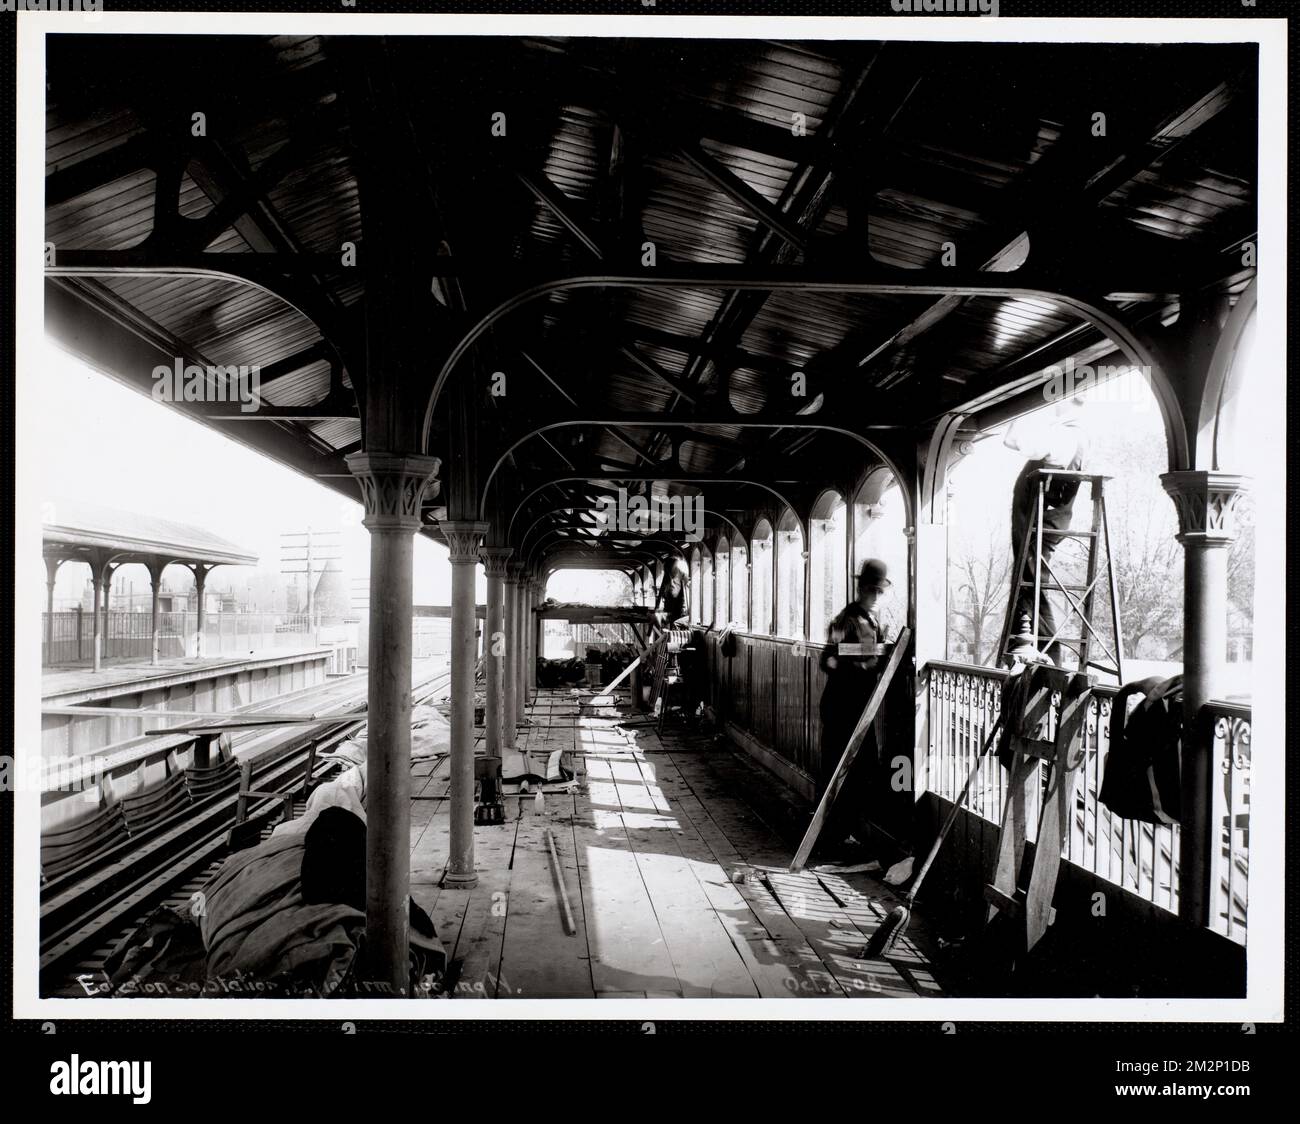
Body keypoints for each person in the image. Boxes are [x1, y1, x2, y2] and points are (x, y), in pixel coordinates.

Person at [816, 559, 893, 851]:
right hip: (842, 707)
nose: (875, 596)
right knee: (839, 769)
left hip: (859, 708)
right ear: (860, 588)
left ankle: (845, 832)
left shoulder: (871, 621)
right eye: (871, 590)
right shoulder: (846, 620)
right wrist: (868, 661)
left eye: (879, 591)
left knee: (862, 770)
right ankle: (832, 835)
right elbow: (828, 659)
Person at [1005, 411, 1086, 665]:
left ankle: (1044, 651)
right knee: (1027, 582)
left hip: (1041, 522)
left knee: (1032, 584)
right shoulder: (1065, 435)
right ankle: (1028, 642)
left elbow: (1015, 440)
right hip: (1033, 519)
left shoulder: (1065, 437)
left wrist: (1024, 411)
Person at [654, 558, 689, 627]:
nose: (672, 583)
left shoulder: (683, 582)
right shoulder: (670, 582)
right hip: (673, 615)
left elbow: (680, 612)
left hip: (680, 617)